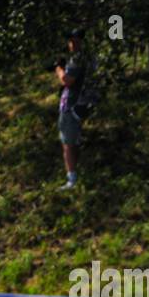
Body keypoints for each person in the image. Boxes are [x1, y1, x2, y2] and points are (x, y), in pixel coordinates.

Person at [55, 28, 88, 190]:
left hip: (72, 105)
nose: (72, 44)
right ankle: (74, 173)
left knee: (68, 143)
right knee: (71, 141)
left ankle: (72, 180)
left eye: (75, 41)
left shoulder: (77, 59)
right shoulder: (84, 58)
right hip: (76, 104)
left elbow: (67, 80)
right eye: (71, 40)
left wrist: (58, 69)